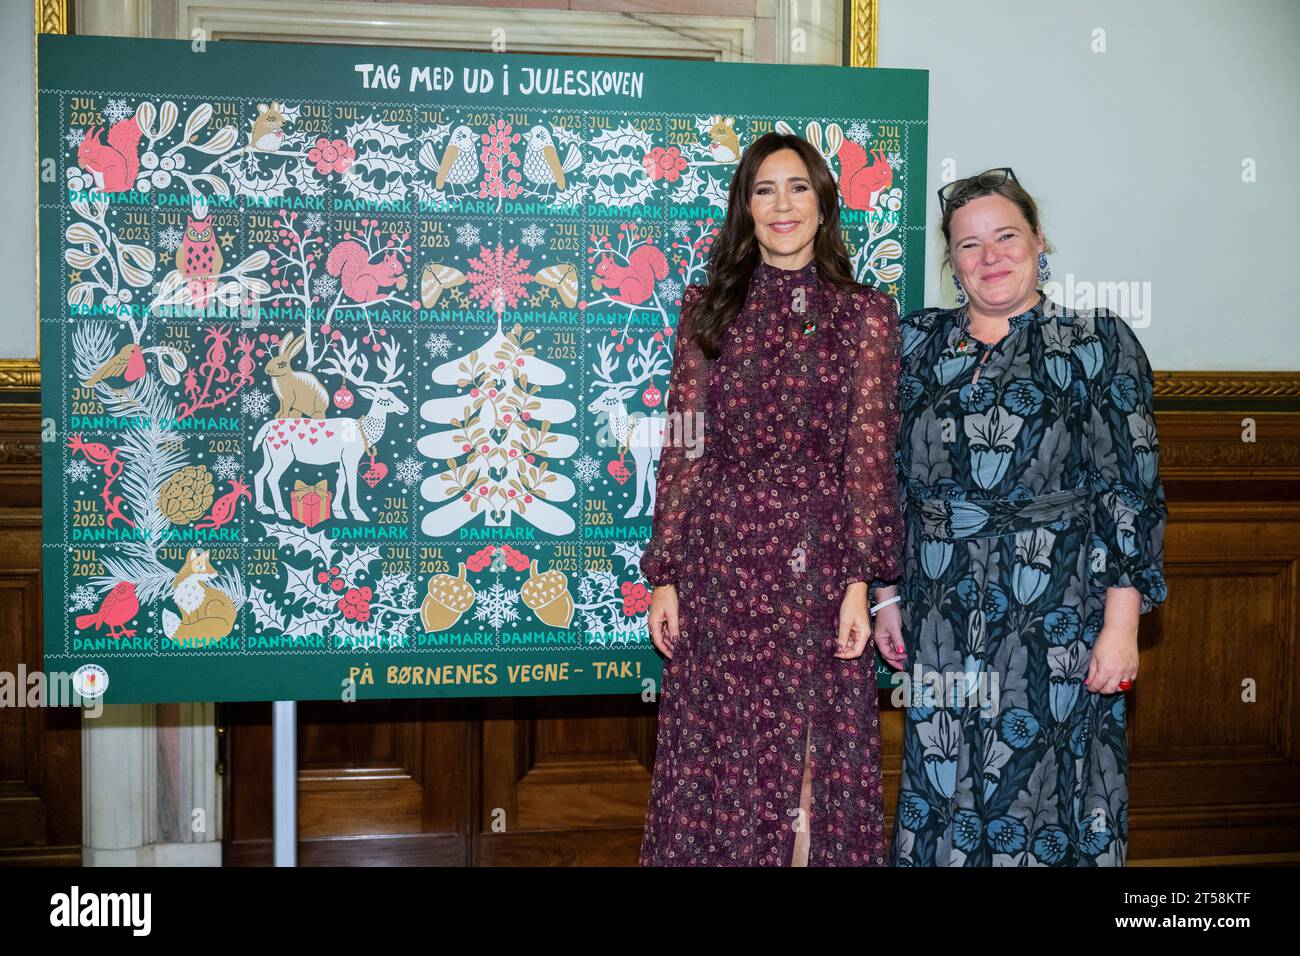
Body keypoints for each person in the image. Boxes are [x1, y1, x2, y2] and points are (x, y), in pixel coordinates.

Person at [887, 168, 1168, 866]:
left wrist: (1122, 627)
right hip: (938, 611)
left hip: (1057, 612)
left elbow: (1130, 490)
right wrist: (885, 593)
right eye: (969, 244)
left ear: (1040, 240)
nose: (991, 256)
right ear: (951, 262)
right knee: (943, 779)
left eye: (1006, 235)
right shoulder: (911, 345)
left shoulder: (1095, 341)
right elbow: (882, 481)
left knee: (1043, 792)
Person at [638, 131, 904, 866]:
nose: (781, 204)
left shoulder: (865, 315)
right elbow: (685, 444)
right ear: (745, 209)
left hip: (818, 565)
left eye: (796, 188)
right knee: (724, 756)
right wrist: (666, 573)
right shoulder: (706, 309)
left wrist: (861, 582)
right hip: (722, 562)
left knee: (812, 758)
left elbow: (869, 458)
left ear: (823, 205)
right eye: (764, 190)